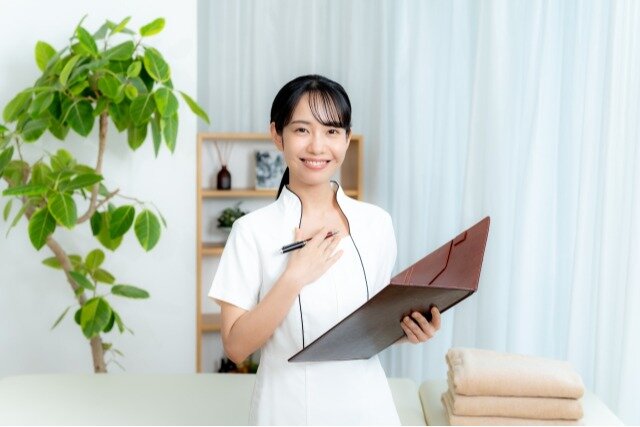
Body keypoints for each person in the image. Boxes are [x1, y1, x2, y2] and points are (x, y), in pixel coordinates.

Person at [208, 74, 441, 425]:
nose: (317, 146)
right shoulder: (251, 232)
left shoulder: (376, 224)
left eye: (332, 131)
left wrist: (408, 330)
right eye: (302, 130)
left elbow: (368, 326)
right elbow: (236, 347)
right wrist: (293, 278)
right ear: (277, 135)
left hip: (370, 410)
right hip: (288, 412)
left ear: (347, 139)